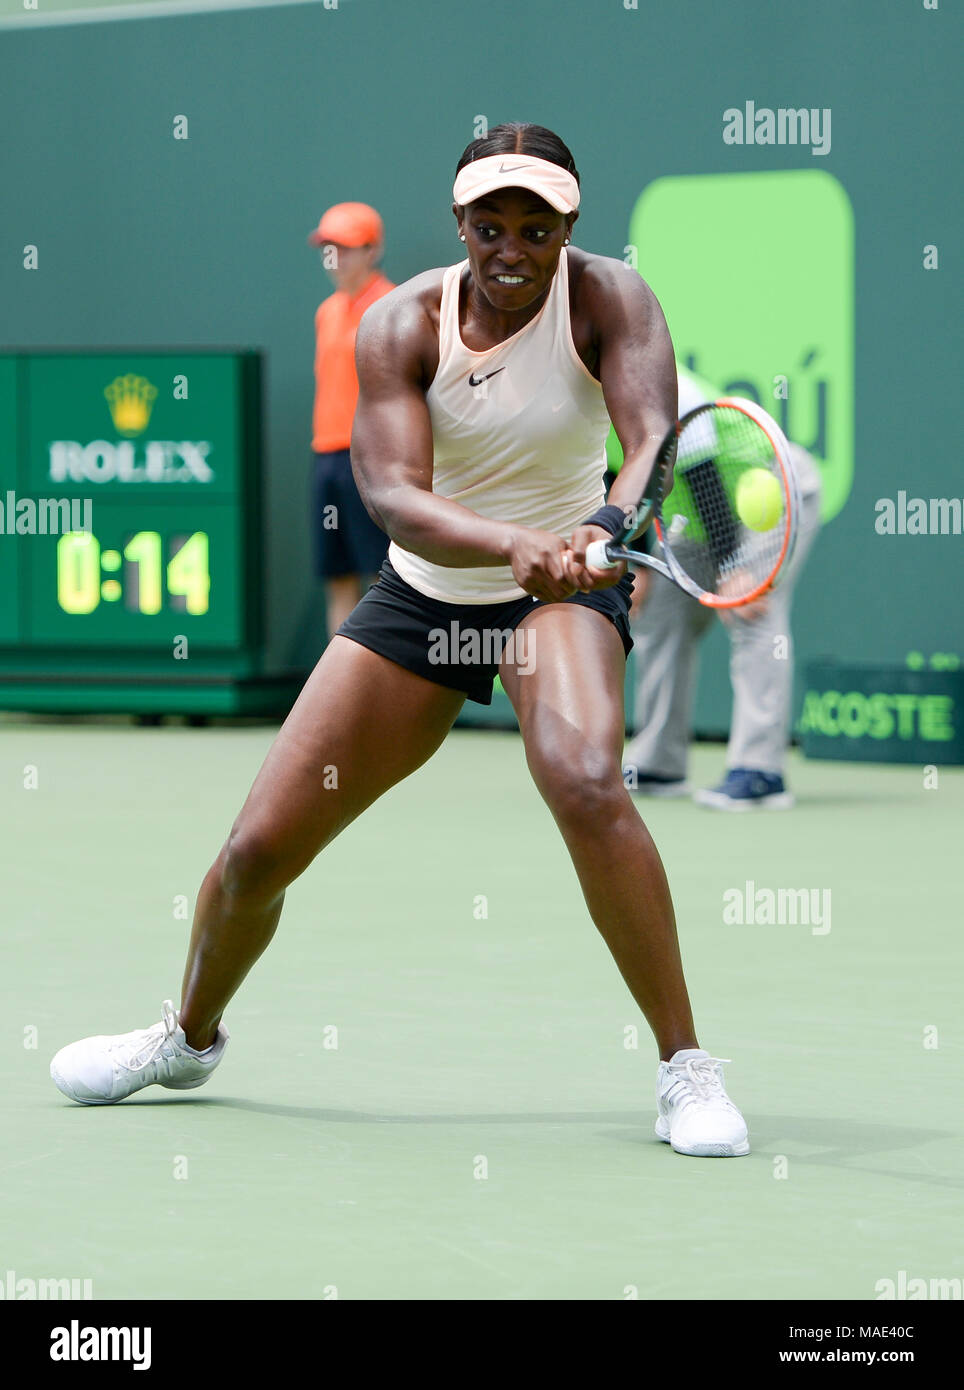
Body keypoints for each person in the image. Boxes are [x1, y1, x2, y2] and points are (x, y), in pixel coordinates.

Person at [50, 125, 749, 1159]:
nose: (512, 247)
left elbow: (650, 439)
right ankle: (184, 1039)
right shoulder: (399, 324)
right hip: (423, 598)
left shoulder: (611, 299)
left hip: (554, 601)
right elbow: (391, 497)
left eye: (537, 226)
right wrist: (513, 541)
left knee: (585, 781)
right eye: (490, 225)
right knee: (255, 854)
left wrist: (598, 531)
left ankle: (684, 1067)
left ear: (568, 226)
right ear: (459, 223)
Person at [621, 363, 823, 808]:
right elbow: (621, 484)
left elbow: (701, 471)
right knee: (659, 617)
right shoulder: (582, 395)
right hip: (692, 518)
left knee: (752, 612)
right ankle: (659, 763)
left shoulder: (662, 382)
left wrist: (734, 566)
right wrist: (641, 566)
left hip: (771, 490)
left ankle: (760, 770)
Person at [308, 202, 394, 638]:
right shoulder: (327, 311)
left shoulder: (392, 306)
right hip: (327, 456)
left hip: (372, 457)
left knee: (383, 577)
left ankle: (384, 691)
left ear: (371, 250)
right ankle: (338, 697)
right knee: (338, 576)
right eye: (327, 248)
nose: (334, 258)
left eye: (344, 247)